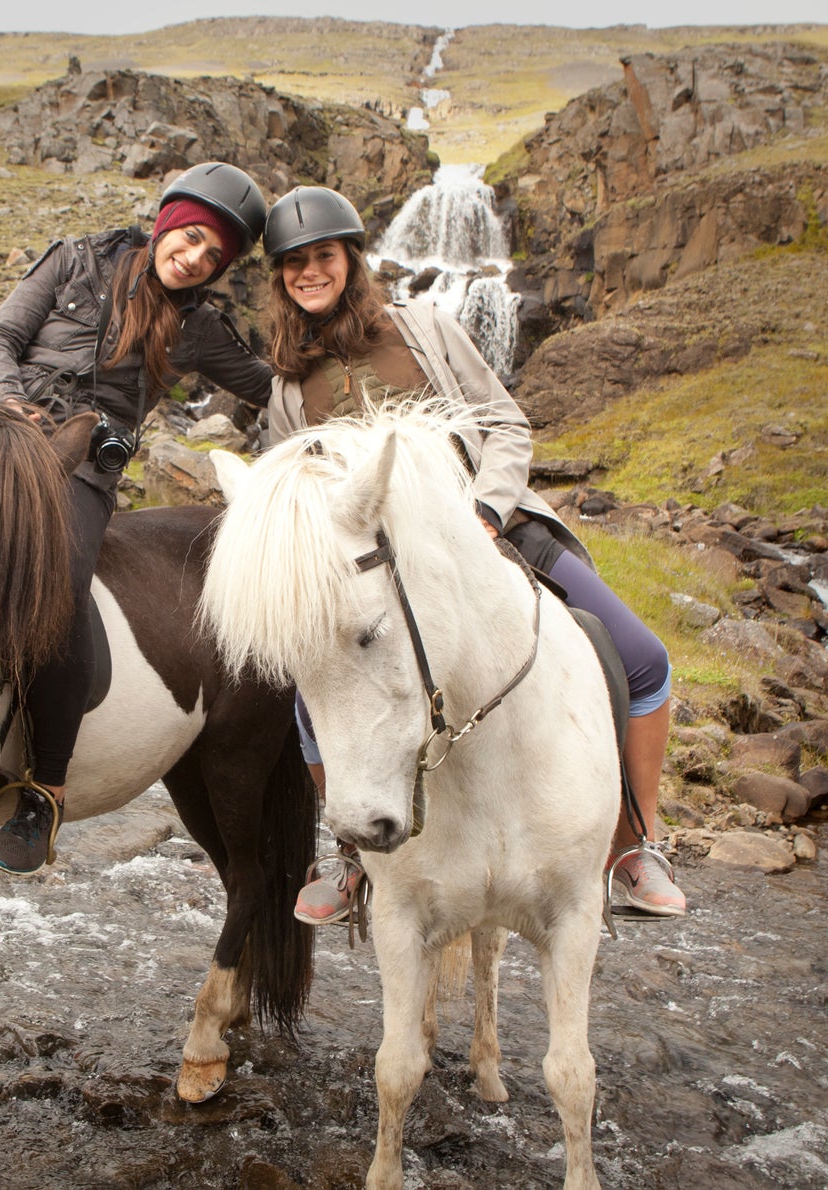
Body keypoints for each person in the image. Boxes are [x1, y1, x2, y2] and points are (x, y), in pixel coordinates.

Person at [262, 185, 685, 923]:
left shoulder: (424, 324)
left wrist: (488, 511)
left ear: (349, 258)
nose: (309, 273)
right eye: (294, 264)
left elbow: (504, 423)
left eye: (322, 256)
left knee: (643, 660)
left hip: (488, 529)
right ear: (281, 279)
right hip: (373, 573)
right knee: (312, 698)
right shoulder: (286, 387)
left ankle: (632, 844)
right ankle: (353, 858)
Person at [0, 162, 272, 875]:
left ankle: (43, 785)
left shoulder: (198, 327)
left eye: (213, 256)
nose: (195, 258)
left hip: (83, 474)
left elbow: (267, 385)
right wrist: (8, 403)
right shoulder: (73, 259)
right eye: (192, 237)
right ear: (168, 220)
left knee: (58, 590)